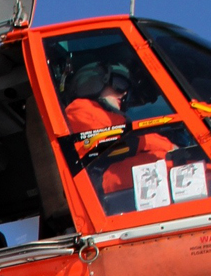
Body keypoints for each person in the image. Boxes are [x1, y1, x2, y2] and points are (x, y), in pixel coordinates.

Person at [63, 62, 177, 202]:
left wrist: (173, 154)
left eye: (126, 90)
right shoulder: (80, 110)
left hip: (110, 173)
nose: (123, 93)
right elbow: (116, 140)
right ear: (94, 83)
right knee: (171, 168)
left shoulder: (108, 117)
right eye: (119, 84)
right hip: (97, 179)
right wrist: (163, 145)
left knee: (166, 162)